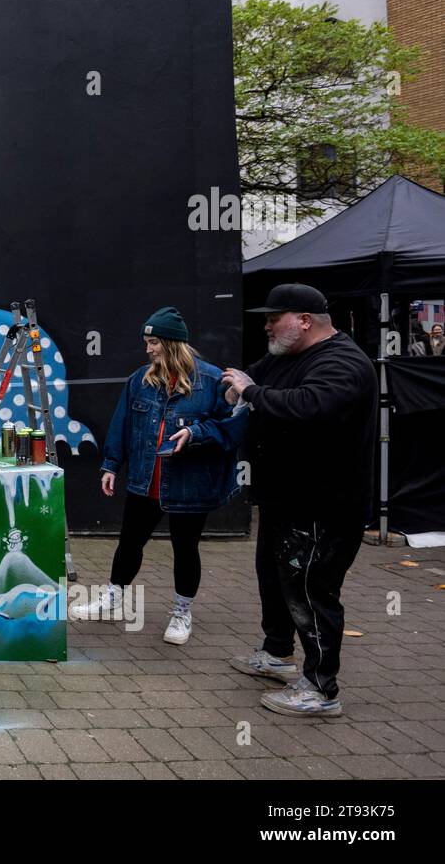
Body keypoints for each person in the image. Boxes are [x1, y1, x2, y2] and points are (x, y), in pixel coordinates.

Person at [223, 283, 377, 719]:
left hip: (324, 507)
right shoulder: (282, 355)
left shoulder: (344, 362)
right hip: (283, 500)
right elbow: (247, 377)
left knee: (312, 593)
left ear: (305, 320)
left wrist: (251, 392)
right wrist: (234, 387)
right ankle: (276, 654)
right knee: (275, 582)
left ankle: (320, 688)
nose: (267, 324)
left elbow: (309, 406)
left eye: (275, 317)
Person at [75, 307, 245, 645]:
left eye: (153, 342)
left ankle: (182, 612)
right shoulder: (141, 379)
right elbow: (123, 423)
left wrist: (197, 431)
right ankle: (113, 598)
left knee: (185, 548)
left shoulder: (211, 380)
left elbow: (230, 427)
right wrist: (111, 465)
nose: (148, 349)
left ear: (172, 343)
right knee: (129, 543)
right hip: (144, 478)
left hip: (189, 481)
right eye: (146, 342)